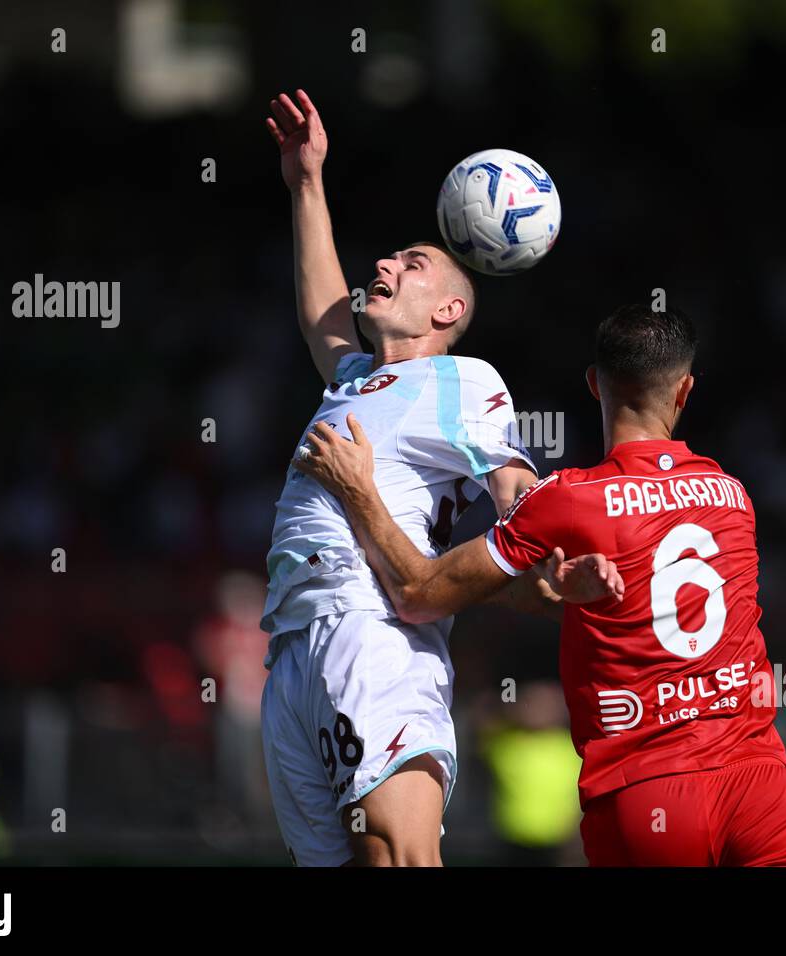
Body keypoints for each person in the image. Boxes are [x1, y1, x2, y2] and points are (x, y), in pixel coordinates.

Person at [295, 303, 786, 866]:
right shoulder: (734, 497)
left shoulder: (567, 501)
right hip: (761, 789)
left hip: (648, 793)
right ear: (685, 390)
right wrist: (561, 597)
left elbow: (417, 595)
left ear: (595, 385)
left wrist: (359, 492)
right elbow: (658, 606)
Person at [259, 90, 614, 866]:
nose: (383, 264)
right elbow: (322, 309)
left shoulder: (463, 379)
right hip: (290, 643)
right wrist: (307, 183)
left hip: (371, 627)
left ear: (447, 308)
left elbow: (514, 489)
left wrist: (550, 555)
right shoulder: (352, 378)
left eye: (410, 264)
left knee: (399, 855)